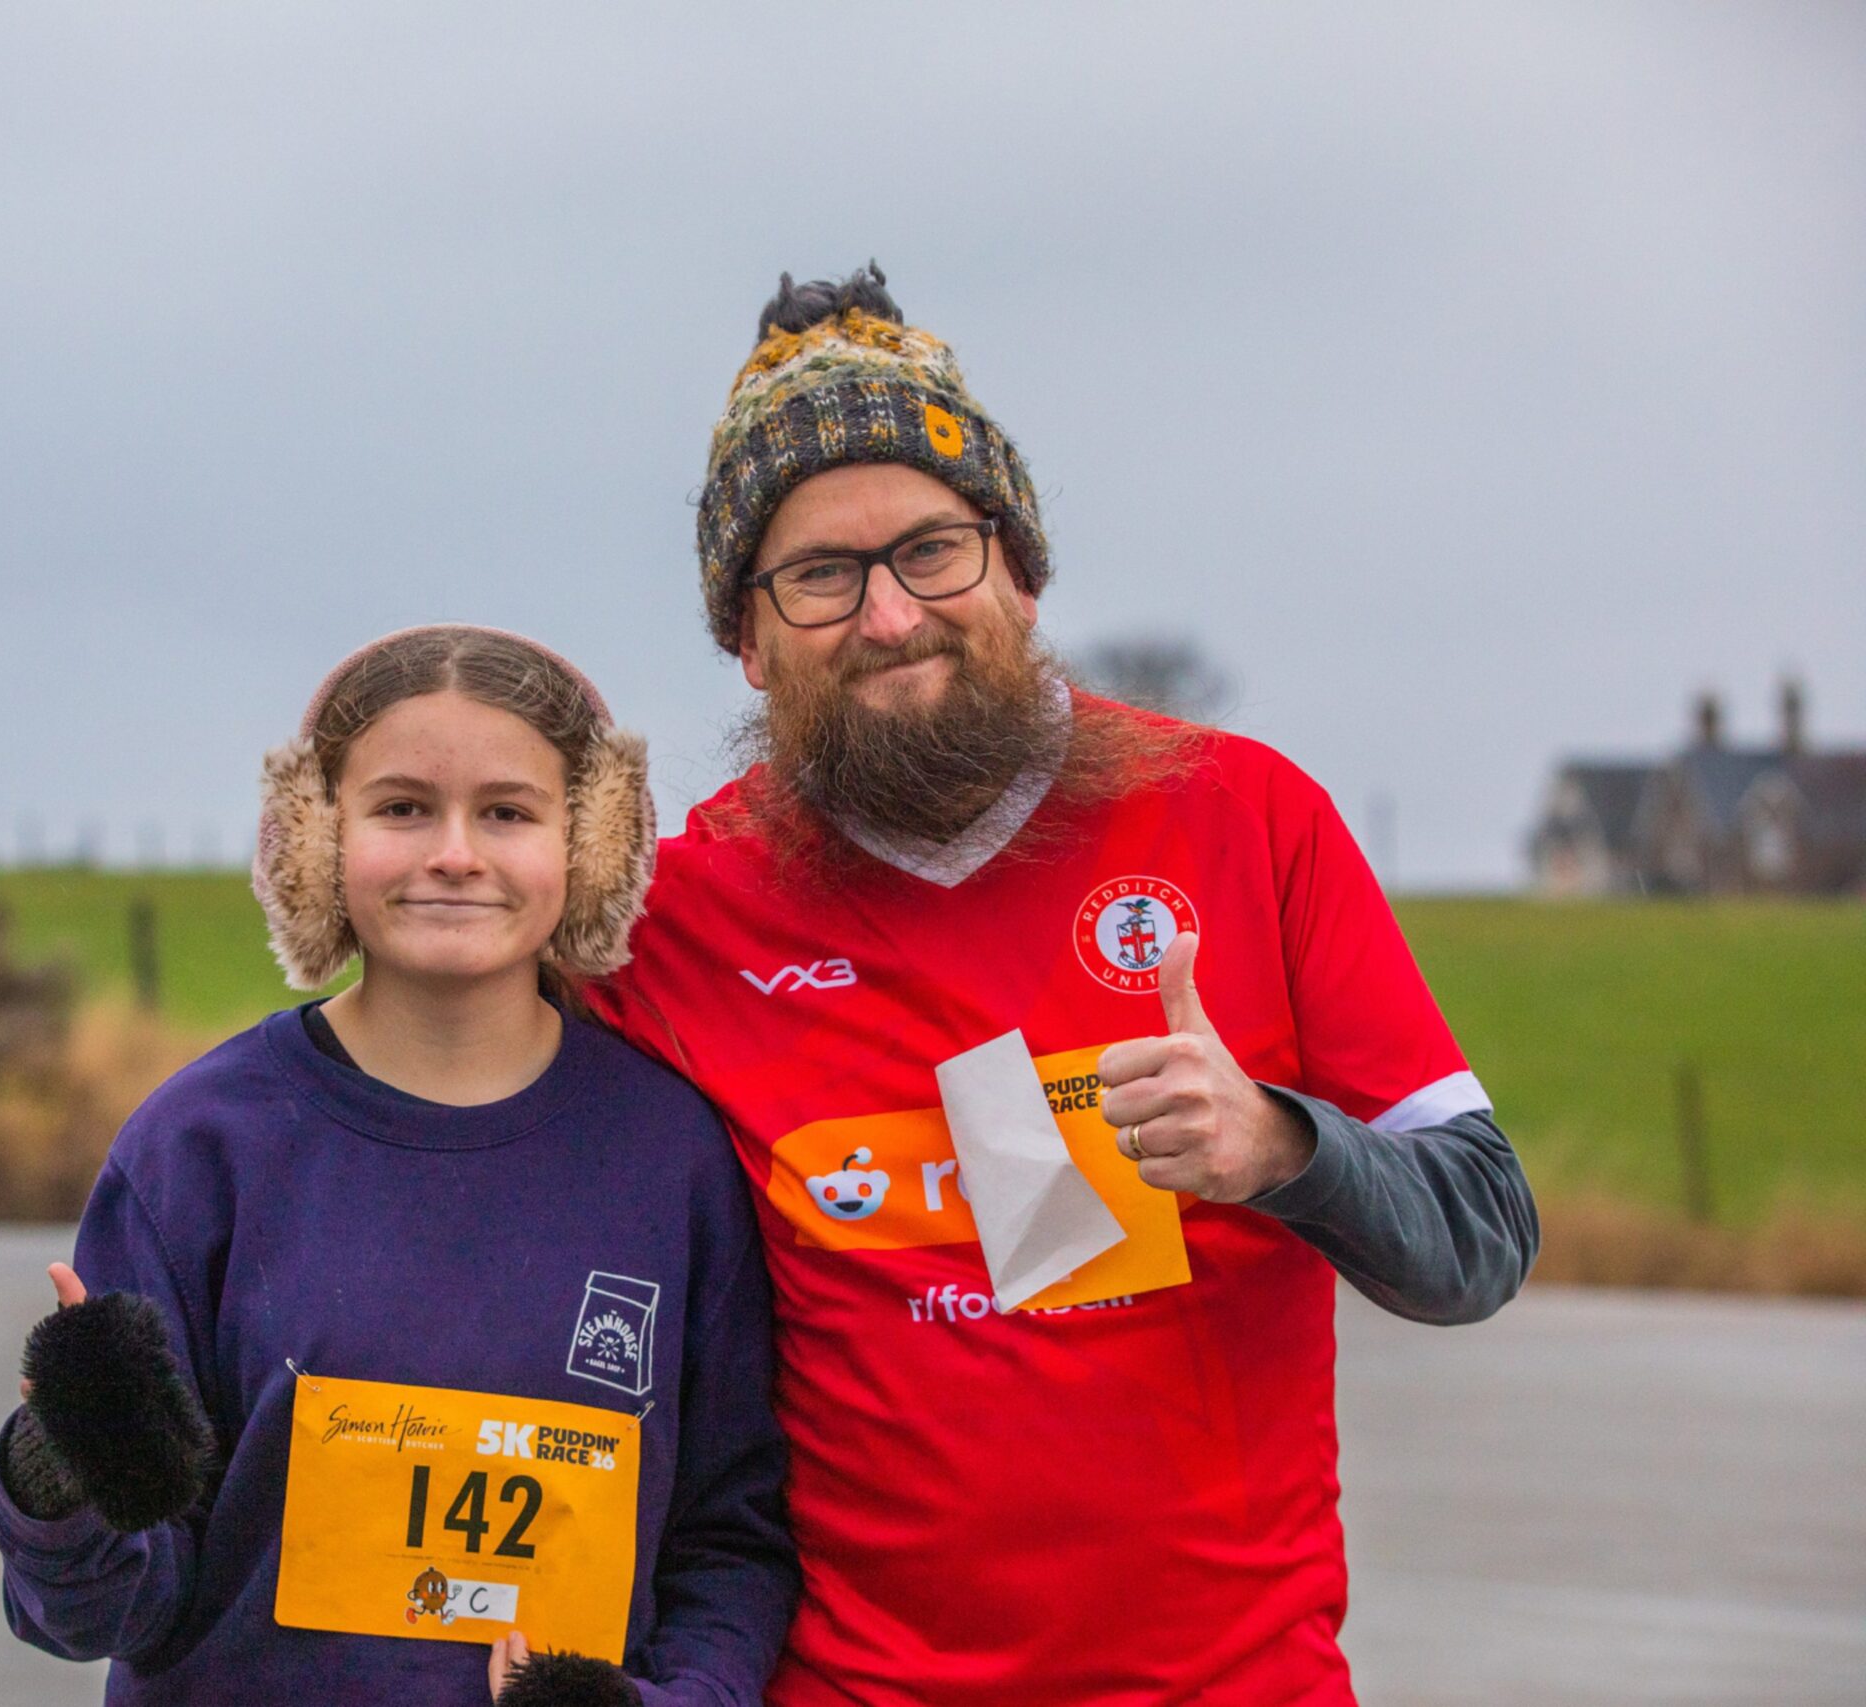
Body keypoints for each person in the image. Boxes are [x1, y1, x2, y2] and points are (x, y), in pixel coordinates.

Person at [587, 265, 1539, 1706]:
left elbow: (1480, 1242)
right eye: (819, 576)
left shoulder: (1244, 816)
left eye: (933, 550)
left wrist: (1282, 1147)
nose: (891, 616)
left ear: (1019, 567)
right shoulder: (674, 913)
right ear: (746, 634)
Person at [0, 625, 797, 1706]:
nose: (453, 852)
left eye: (507, 812)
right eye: (402, 808)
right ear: (315, 839)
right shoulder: (200, 1148)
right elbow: (102, 1613)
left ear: (592, 844)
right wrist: (59, 1479)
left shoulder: (671, 1160)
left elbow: (728, 1544)